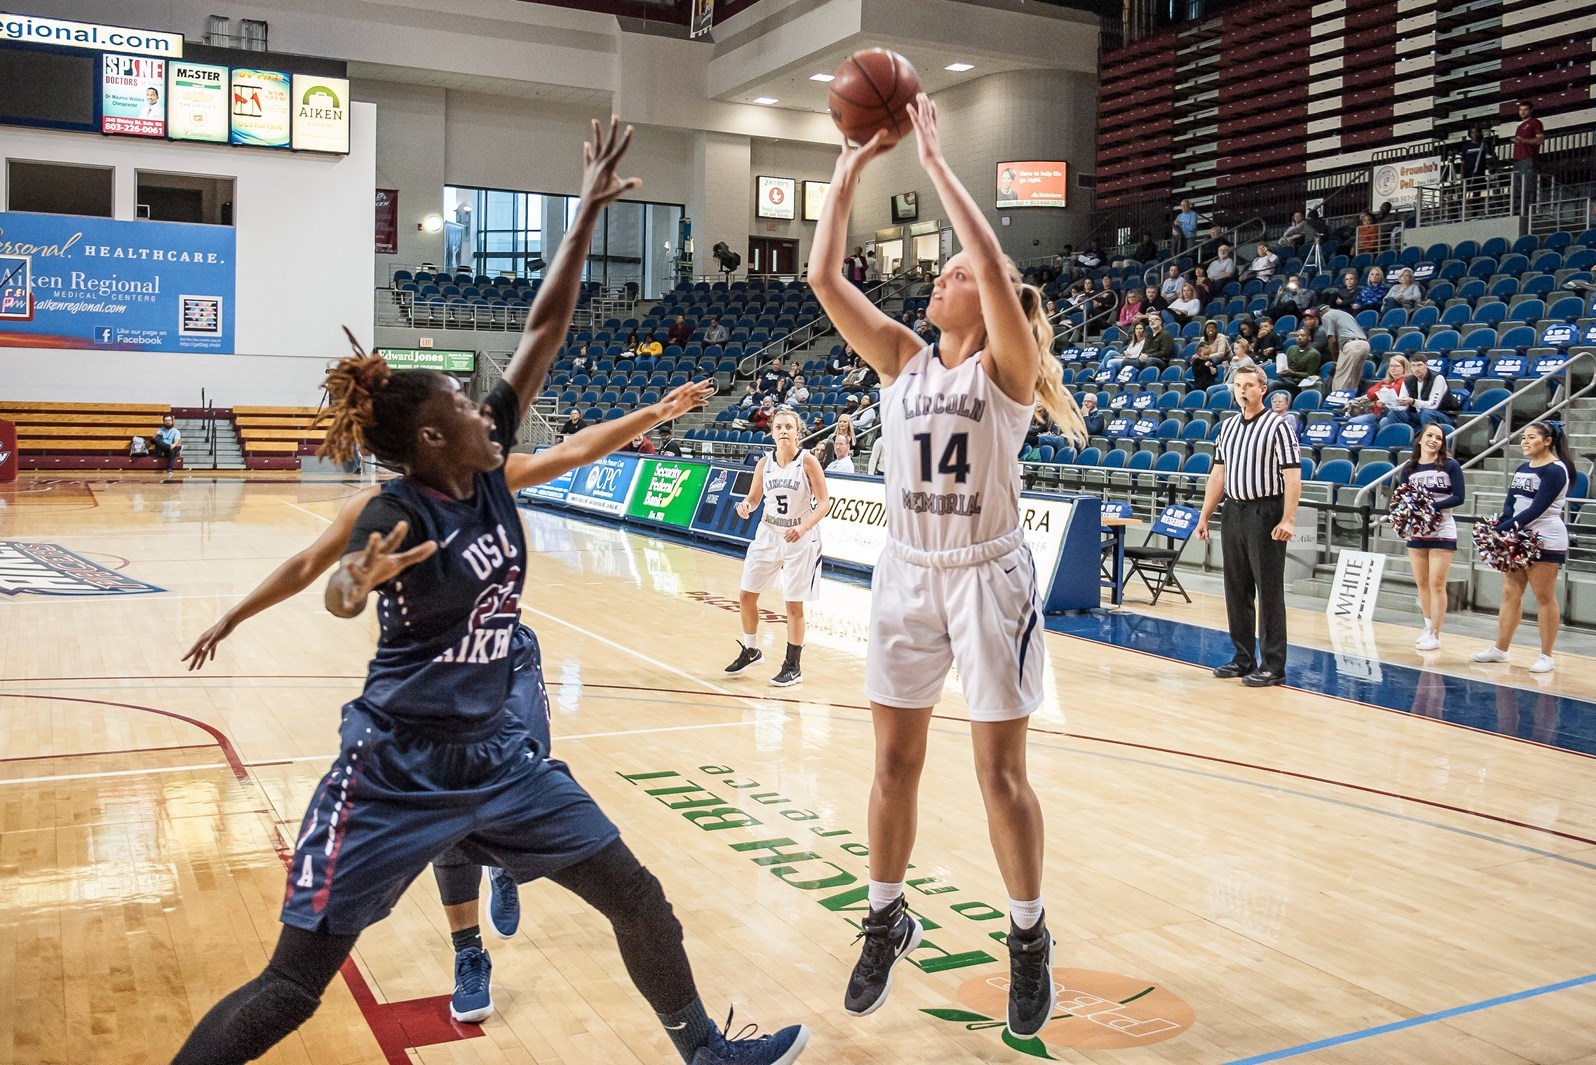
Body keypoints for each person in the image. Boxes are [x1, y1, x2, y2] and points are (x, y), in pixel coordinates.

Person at [167, 118, 809, 1065]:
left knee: (637, 895)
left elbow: (544, 327)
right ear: (431, 438)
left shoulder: (490, 465)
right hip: (395, 770)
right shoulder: (403, 513)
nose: (484, 407)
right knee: (291, 987)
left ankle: (706, 1051)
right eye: (463, 407)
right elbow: (337, 584)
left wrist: (584, 212)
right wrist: (354, 583)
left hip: (502, 759)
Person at [181, 379, 713, 1020]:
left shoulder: (484, 478)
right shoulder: (376, 511)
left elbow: (575, 451)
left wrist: (655, 409)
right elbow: (310, 568)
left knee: (525, 785)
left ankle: (509, 864)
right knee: (450, 818)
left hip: (508, 662)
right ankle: (471, 949)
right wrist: (239, 614)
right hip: (438, 699)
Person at [808, 91, 1090, 1039]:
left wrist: (936, 164)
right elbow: (820, 276)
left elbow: (1002, 285)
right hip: (907, 570)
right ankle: (886, 915)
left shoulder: (1003, 371)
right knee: (893, 761)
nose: (941, 278)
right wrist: (848, 173)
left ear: (993, 292)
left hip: (987, 577)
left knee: (998, 775)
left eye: (959, 272)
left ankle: (1027, 935)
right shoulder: (902, 360)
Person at [1196, 364, 1301, 688]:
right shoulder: (1227, 428)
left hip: (1265, 511)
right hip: (1234, 511)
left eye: (1249, 385)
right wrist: (1204, 515)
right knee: (1236, 589)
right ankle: (1243, 657)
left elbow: (1292, 475)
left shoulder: (1278, 426)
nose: (1243, 390)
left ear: (1263, 390)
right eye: (1238, 385)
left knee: (1268, 591)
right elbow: (1218, 474)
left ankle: (1273, 665)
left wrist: (1288, 518)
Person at [723, 408, 829, 687]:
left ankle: (793, 666)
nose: (784, 431)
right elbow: (755, 498)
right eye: (779, 427)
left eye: (789, 427)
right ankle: (751, 649)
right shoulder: (764, 463)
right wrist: (746, 506)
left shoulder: (807, 462)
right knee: (746, 595)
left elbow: (824, 503)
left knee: (793, 605)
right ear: (772, 431)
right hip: (768, 533)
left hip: (799, 537)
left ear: (798, 431)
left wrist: (804, 527)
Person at [1471, 423, 1574, 674]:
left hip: (1544, 536)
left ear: (1547, 440)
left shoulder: (1556, 470)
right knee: (1510, 593)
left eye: (1531, 437)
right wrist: (1503, 524)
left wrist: (1504, 528)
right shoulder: (1522, 467)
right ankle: (1500, 649)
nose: (1524, 442)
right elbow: (1511, 502)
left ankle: (1546, 656)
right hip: (1517, 536)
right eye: (1523, 437)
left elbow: (1537, 508)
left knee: (1544, 596)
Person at [1397, 424, 1464, 652]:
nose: (1434, 440)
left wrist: (1430, 506)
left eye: (1439, 437)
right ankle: (1427, 626)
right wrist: (1409, 514)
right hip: (1418, 531)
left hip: (1442, 529)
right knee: (1422, 583)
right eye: (1429, 435)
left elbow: (1459, 497)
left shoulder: (1450, 465)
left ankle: (1436, 633)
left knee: (1437, 583)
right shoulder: (1410, 468)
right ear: (1420, 440)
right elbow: (1402, 498)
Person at [1383, 354, 1455, 430]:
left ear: (1426, 365)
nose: (1416, 369)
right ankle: (1400, 439)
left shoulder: (1438, 378)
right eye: (1413, 366)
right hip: (1418, 414)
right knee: (1394, 413)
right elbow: (1402, 406)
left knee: (1426, 412)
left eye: (1419, 365)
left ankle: (1426, 438)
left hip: (1443, 414)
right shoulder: (1408, 381)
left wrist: (1413, 401)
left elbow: (1433, 405)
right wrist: (1388, 404)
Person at [1310, 304, 1370, 392]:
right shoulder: (1345, 314)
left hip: (1351, 345)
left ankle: (1337, 403)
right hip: (1365, 344)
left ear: (1320, 314)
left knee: (1340, 379)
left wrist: (1335, 360)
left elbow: (1332, 340)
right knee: (1353, 380)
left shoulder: (1326, 316)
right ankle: (1350, 403)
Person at [1510, 100, 1544, 186]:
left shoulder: (1535, 122)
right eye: (1520, 110)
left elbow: (1540, 139)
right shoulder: (1520, 126)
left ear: (1530, 110)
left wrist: (1524, 140)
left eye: (1525, 109)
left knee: (1527, 186)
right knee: (1517, 188)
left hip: (1528, 158)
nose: (1522, 112)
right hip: (1517, 159)